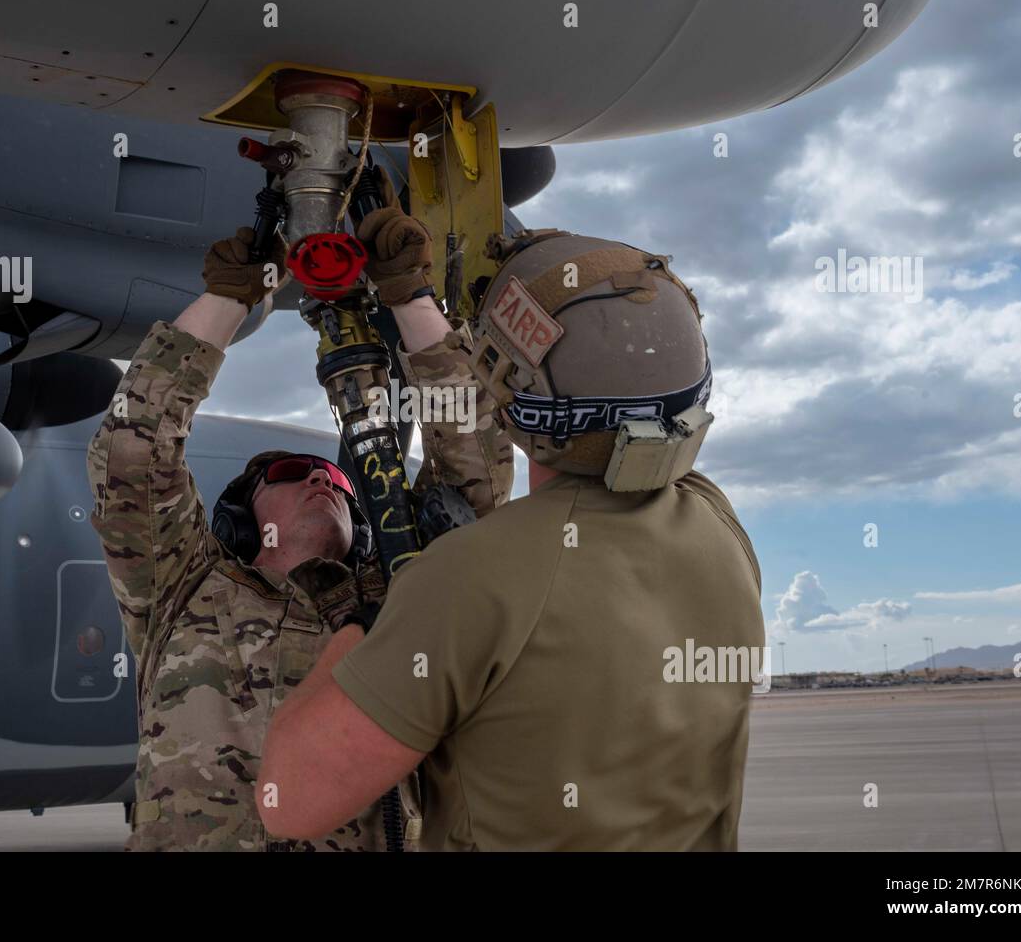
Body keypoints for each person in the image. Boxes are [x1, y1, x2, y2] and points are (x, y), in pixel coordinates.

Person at [258, 228, 766, 851]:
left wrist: (367, 626)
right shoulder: (717, 525)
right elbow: (630, 387)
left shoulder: (467, 577)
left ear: (506, 392)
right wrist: (414, 299)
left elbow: (290, 800)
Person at [86, 188, 512, 850]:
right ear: (243, 518)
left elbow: (476, 473)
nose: (320, 476)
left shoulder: (399, 598)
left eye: (338, 481)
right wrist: (232, 294)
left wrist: (409, 297)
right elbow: (134, 450)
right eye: (287, 473)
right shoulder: (181, 592)